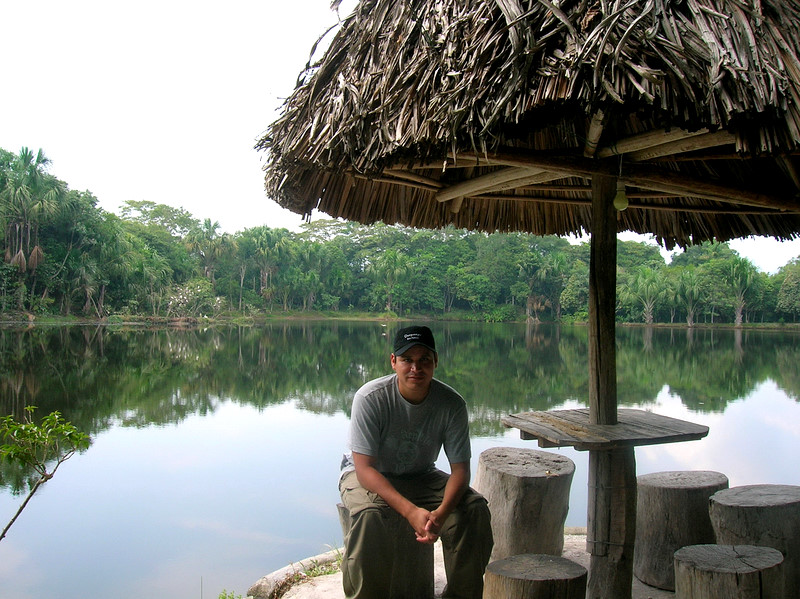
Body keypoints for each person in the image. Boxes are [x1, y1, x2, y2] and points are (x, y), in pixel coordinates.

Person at [339, 325, 493, 599]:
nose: (415, 368)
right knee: (369, 518)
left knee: (474, 509)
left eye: (424, 360)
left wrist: (441, 513)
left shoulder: (452, 404)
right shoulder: (370, 398)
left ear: (435, 362)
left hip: (422, 474)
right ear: (393, 362)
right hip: (368, 473)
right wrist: (411, 511)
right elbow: (364, 468)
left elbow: (460, 471)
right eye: (407, 360)